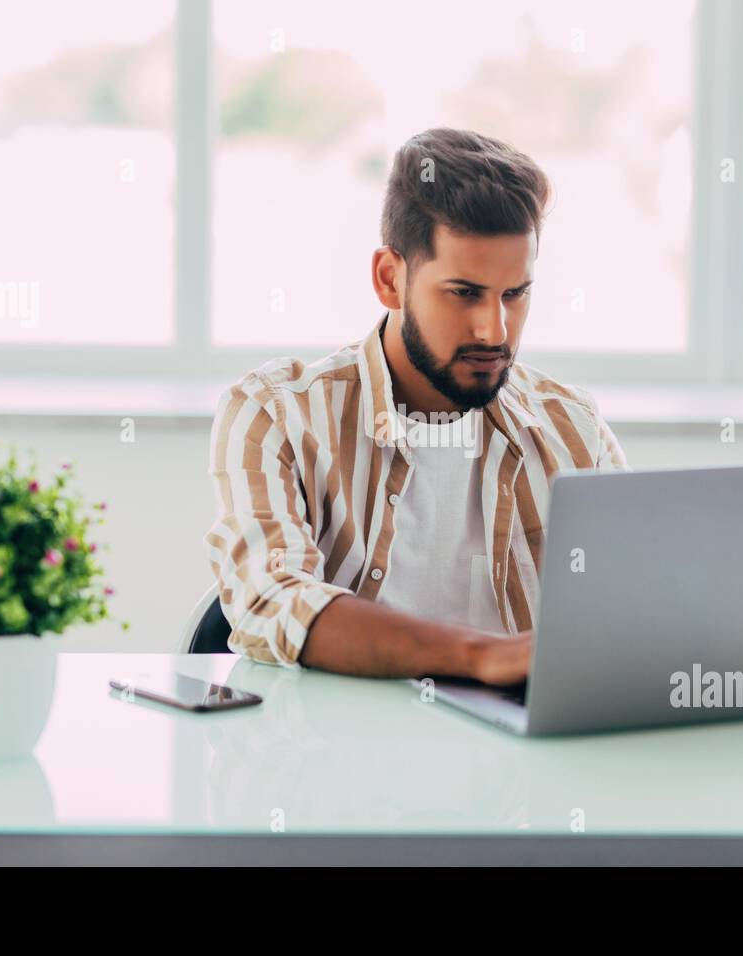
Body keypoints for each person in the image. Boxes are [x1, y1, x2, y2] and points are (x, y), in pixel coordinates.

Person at [206, 127, 628, 685]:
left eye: (515, 293)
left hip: (524, 765)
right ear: (389, 278)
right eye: (464, 292)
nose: (494, 329)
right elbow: (274, 601)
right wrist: (480, 657)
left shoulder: (571, 428)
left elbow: (630, 611)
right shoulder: (276, 416)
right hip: (337, 762)